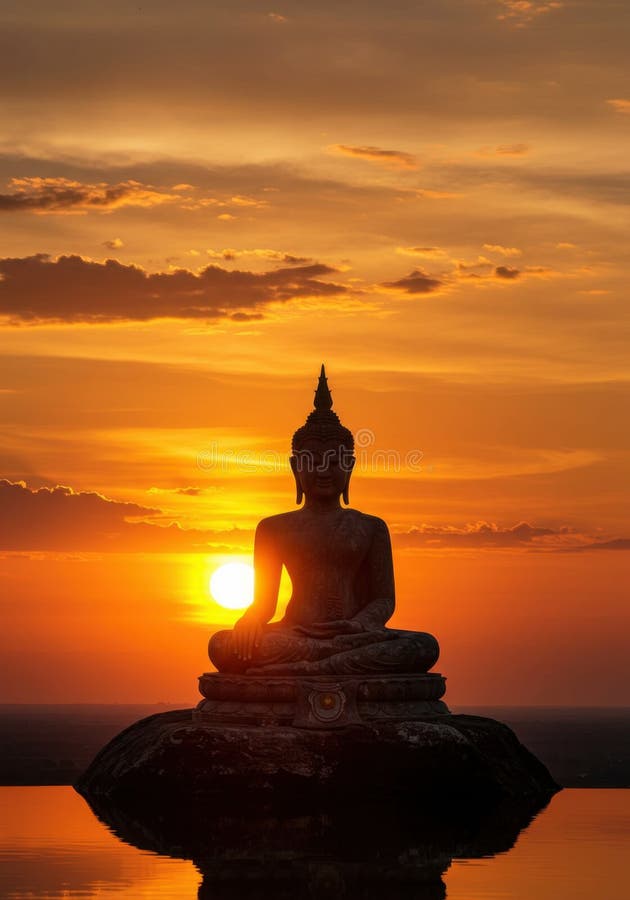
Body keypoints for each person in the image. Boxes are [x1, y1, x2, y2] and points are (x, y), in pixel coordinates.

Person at [209, 366, 439, 676]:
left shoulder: (370, 527)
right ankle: (327, 664)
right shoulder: (274, 529)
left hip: (354, 637)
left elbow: (384, 599)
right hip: (294, 635)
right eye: (312, 461)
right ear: (295, 468)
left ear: (350, 467)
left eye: (334, 461)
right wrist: (249, 620)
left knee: (423, 646)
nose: (323, 470)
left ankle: (311, 666)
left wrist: (357, 625)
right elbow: (264, 603)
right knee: (223, 646)